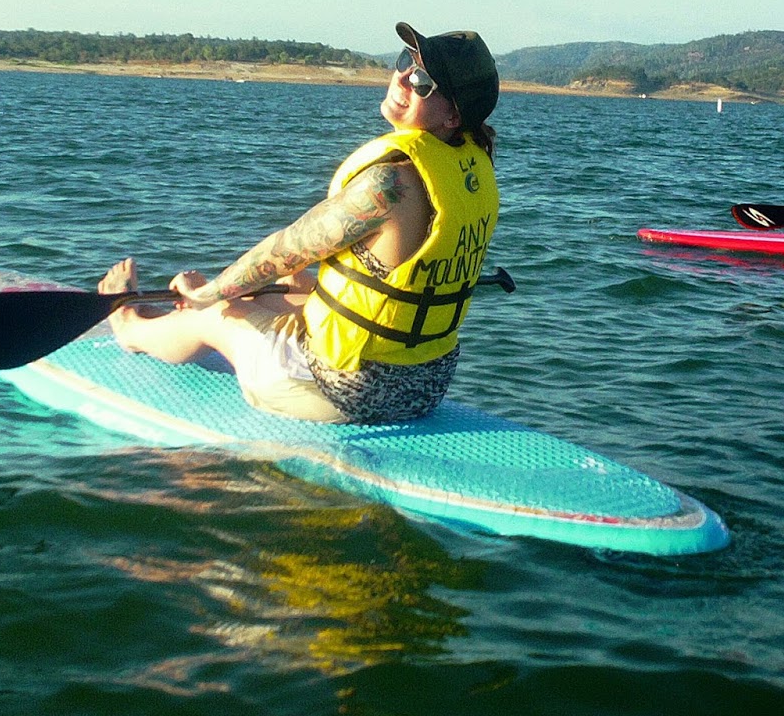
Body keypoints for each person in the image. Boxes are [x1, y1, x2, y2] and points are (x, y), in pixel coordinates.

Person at [98, 22, 501, 424]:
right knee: (279, 293)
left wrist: (208, 294)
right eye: (404, 63)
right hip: (424, 386)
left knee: (218, 313)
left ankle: (131, 328)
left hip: (349, 394)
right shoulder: (471, 171)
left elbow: (286, 250)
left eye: (423, 81)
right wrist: (297, 286)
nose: (402, 79)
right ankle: (172, 322)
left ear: (452, 115)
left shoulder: (388, 184)